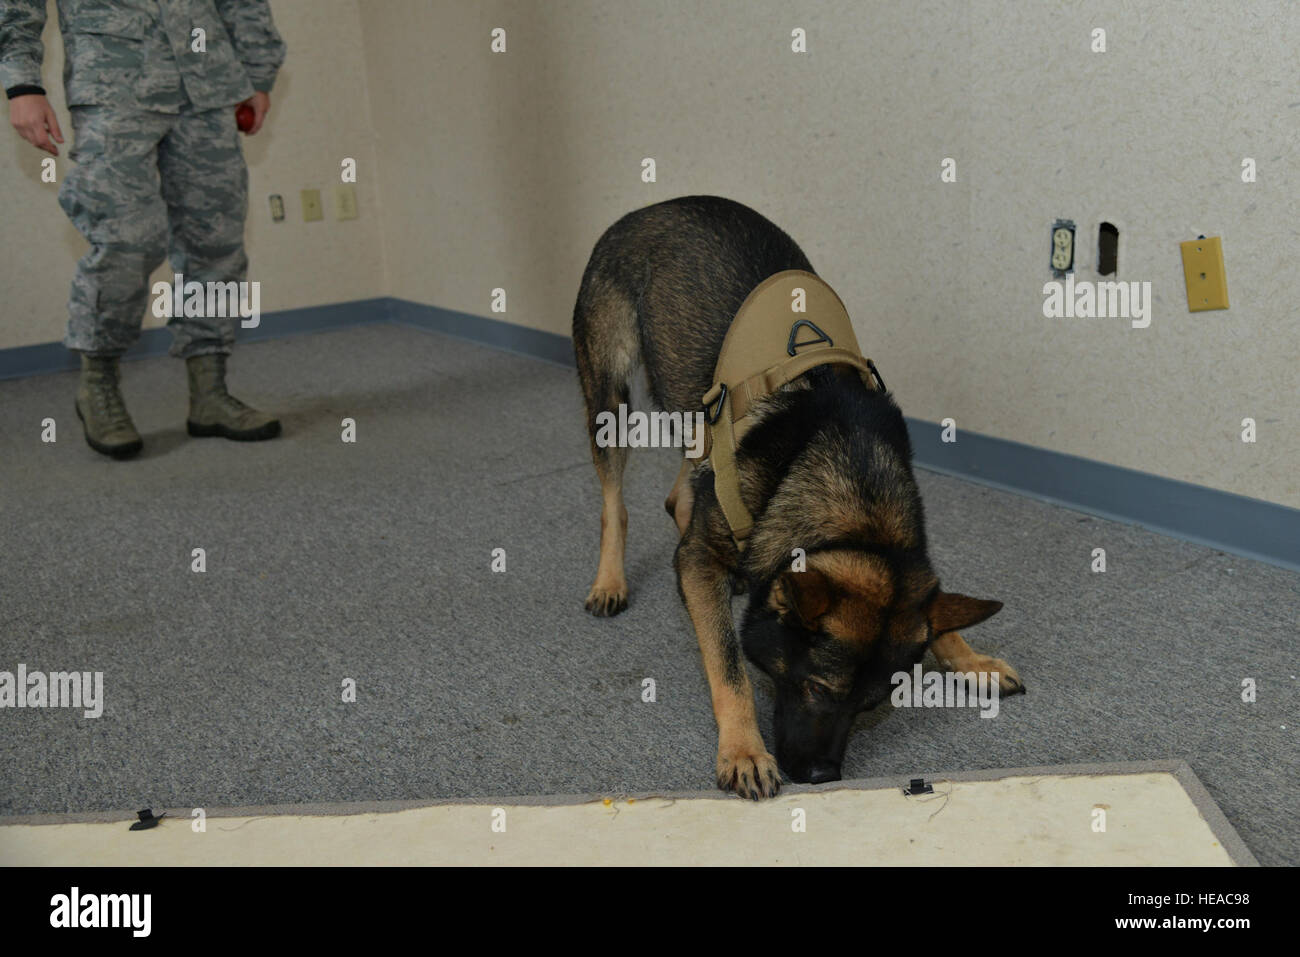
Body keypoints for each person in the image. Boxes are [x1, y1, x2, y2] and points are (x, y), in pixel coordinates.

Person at [2, 0, 286, 458]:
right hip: (115, 85)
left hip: (209, 83)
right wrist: (22, 83)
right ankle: (99, 383)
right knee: (127, 238)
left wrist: (257, 71)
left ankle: (210, 392)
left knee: (217, 243)